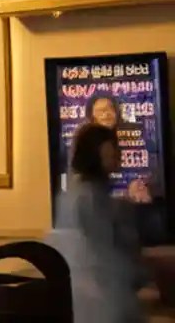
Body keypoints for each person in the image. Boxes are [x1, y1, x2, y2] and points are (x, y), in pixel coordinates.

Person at [46, 123, 150, 323]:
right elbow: (105, 256)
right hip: (103, 303)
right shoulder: (92, 198)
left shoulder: (75, 194)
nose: (119, 155)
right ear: (99, 152)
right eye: (114, 148)